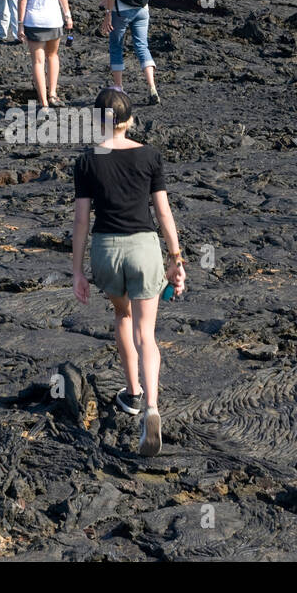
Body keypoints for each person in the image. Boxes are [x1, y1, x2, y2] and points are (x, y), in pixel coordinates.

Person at [72, 87, 186, 456]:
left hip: (107, 251)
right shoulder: (150, 156)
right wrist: (176, 259)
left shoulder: (88, 160)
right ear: (130, 120)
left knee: (122, 315)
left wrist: (77, 271)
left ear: (96, 121)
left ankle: (133, 394)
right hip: (144, 249)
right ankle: (151, 408)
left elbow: (81, 222)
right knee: (146, 334)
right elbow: (164, 213)